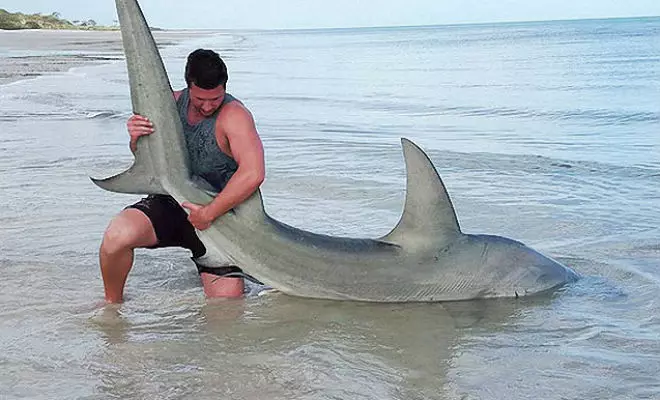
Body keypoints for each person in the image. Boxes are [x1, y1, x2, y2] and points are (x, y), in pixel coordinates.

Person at [99, 49, 265, 303]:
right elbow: (146, 161)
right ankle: (111, 305)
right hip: (170, 202)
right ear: (189, 86)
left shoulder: (235, 116)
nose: (208, 106)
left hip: (219, 216)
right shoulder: (170, 105)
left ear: (224, 88)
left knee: (227, 310)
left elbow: (253, 173)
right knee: (116, 237)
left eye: (216, 99)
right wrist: (136, 139)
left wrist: (208, 213)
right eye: (200, 99)